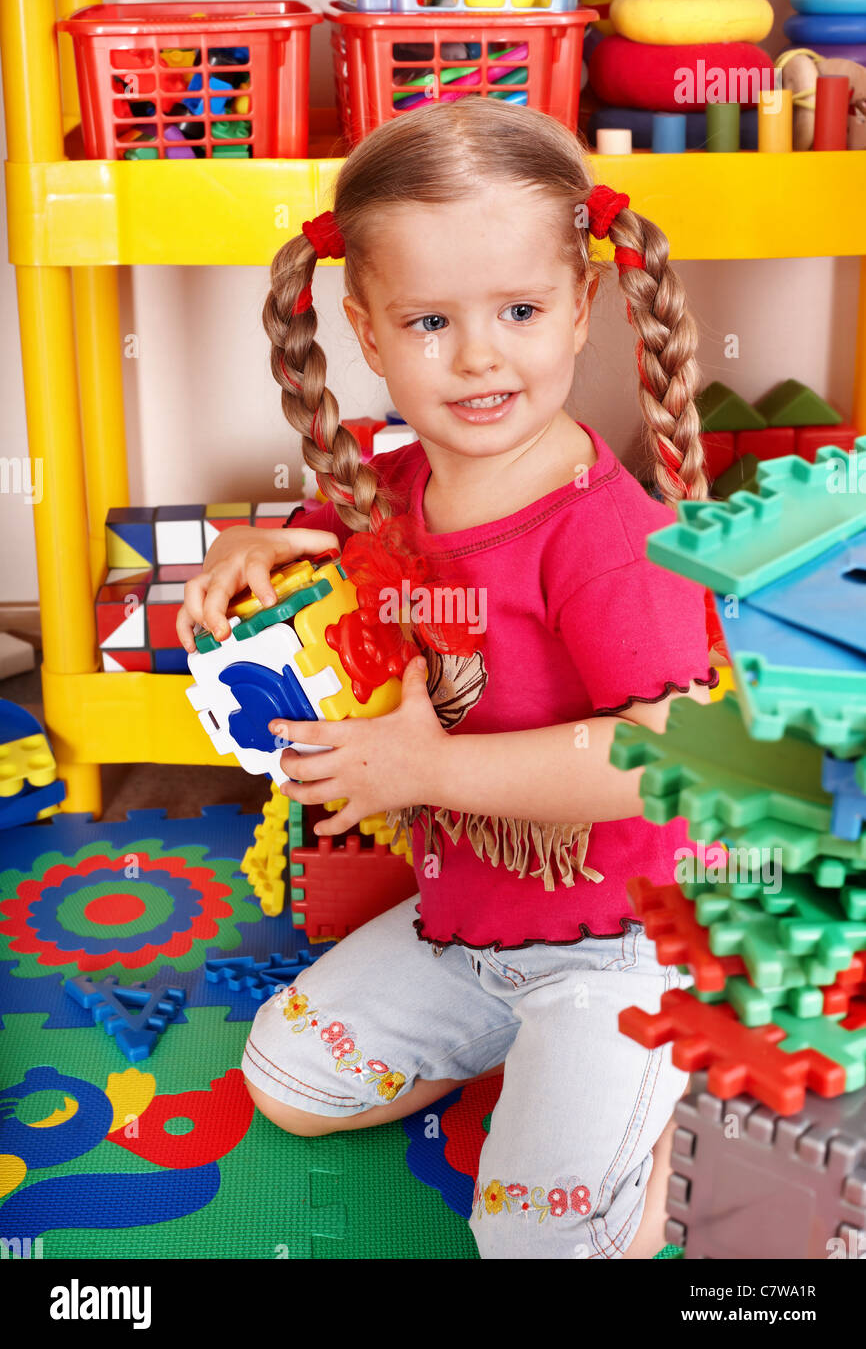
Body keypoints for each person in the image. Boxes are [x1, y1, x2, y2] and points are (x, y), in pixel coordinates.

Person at [177, 99, 718, 1259]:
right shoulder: (395, 481)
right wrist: (248, 545)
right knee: (284, 1082)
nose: (477, 355)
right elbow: (324, 539)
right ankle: (532, 1060)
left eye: (517, 310)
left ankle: (643, 1078)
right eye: (430, 320)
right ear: (367, 335)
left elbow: (664, 751)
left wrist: (425, 766)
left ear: (580, 309)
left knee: (532, 1247)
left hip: (617, 935)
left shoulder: (605, 540)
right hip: (464, 917)